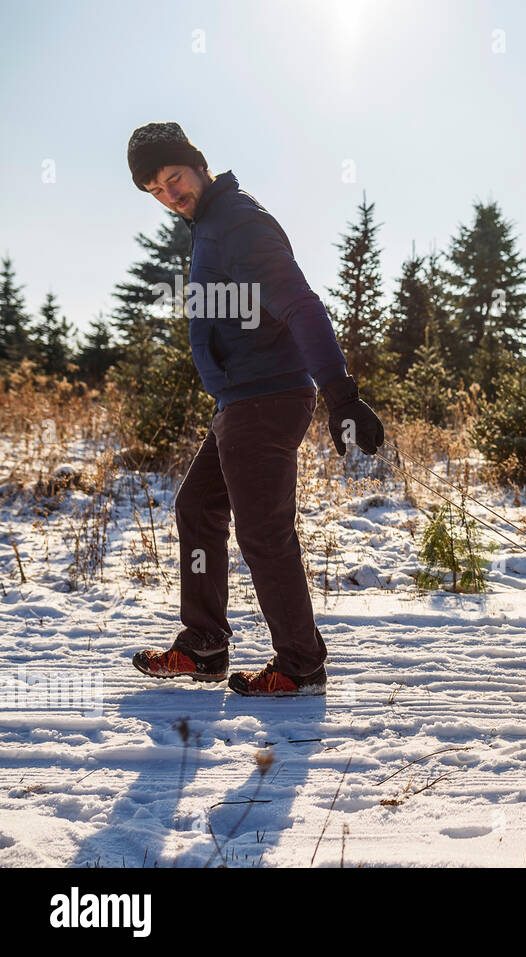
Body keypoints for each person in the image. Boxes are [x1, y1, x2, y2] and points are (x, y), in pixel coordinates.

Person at [126, 121, 384, 697]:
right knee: (196, 508)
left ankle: (300, 664)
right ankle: (205, 645)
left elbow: (299, 304)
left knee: (264, 533)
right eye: (156, 191)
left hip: (265, 398)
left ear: (198, 164)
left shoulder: (236, 223)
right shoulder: (212, 225)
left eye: (175, 179)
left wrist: (341, 392)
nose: (170, 196)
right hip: (242, 397)